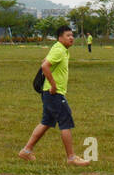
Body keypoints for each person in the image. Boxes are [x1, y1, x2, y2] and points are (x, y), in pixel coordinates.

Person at [18, 26, 90, 167]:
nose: (71, 38)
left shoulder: (60, 49)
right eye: (68, 35)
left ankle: (26, 151)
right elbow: (45, 66)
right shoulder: (59, 49)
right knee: (66, 122)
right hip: (53, 93)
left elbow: (44, 60)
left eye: (72, 35)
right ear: (60, 37)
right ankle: (71, 158)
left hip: (49, 93)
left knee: (46, 122)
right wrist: (54, 85)